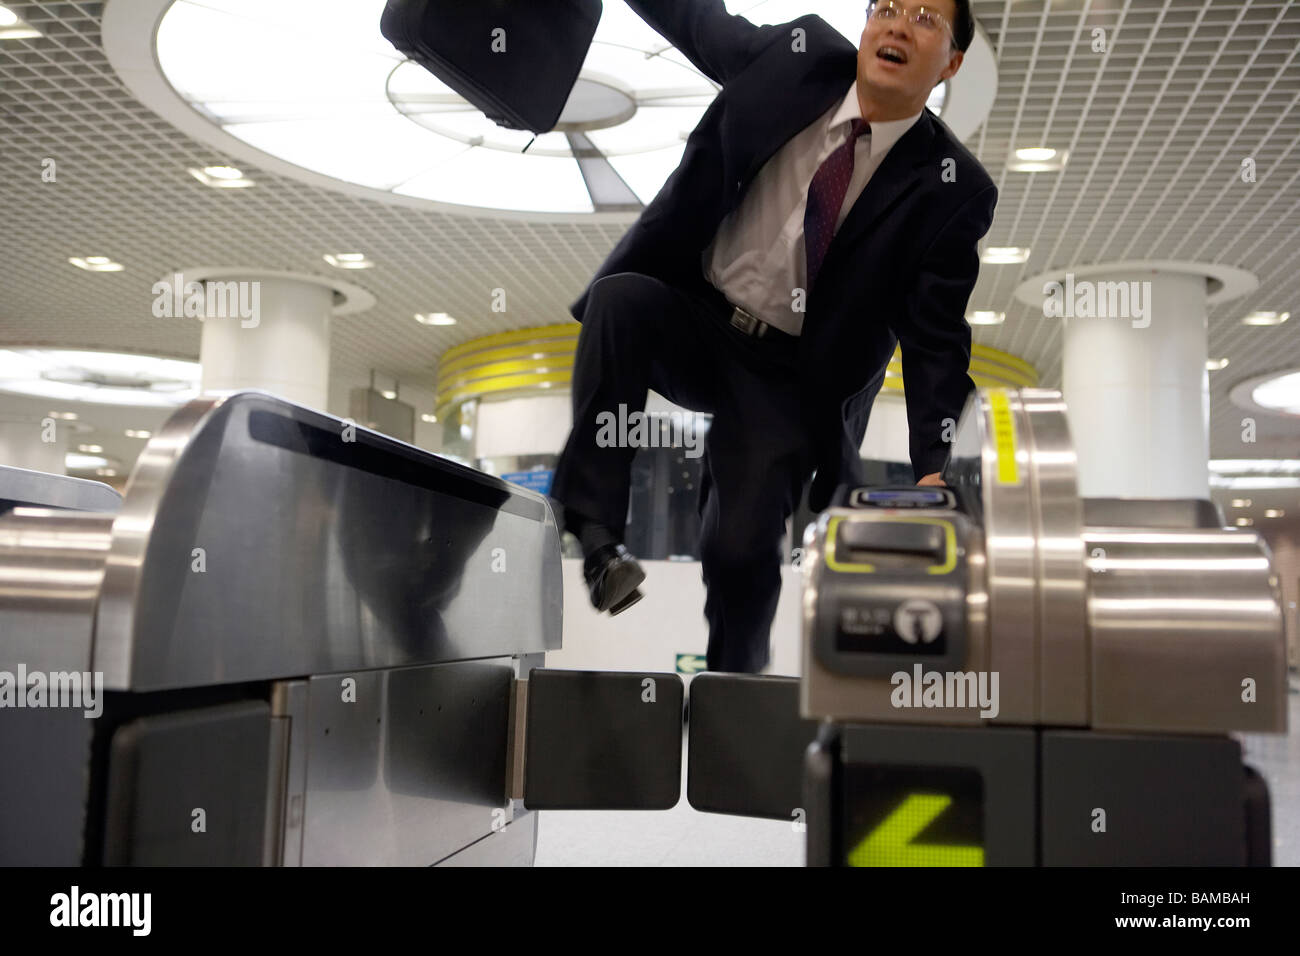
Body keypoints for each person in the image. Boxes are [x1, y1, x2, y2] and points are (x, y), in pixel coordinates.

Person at [551, 0, 996, 673]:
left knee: (739, 551)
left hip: (788, 376)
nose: (898, 26)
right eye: (887, 9)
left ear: (951, 64)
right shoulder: (797, 59)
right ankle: (597, 539)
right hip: (699, 319)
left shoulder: (949, 188)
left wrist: (934, 466)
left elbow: (936, 339)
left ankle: (736, 690)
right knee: (623, 302)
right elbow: (697, 20)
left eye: (925, 20)